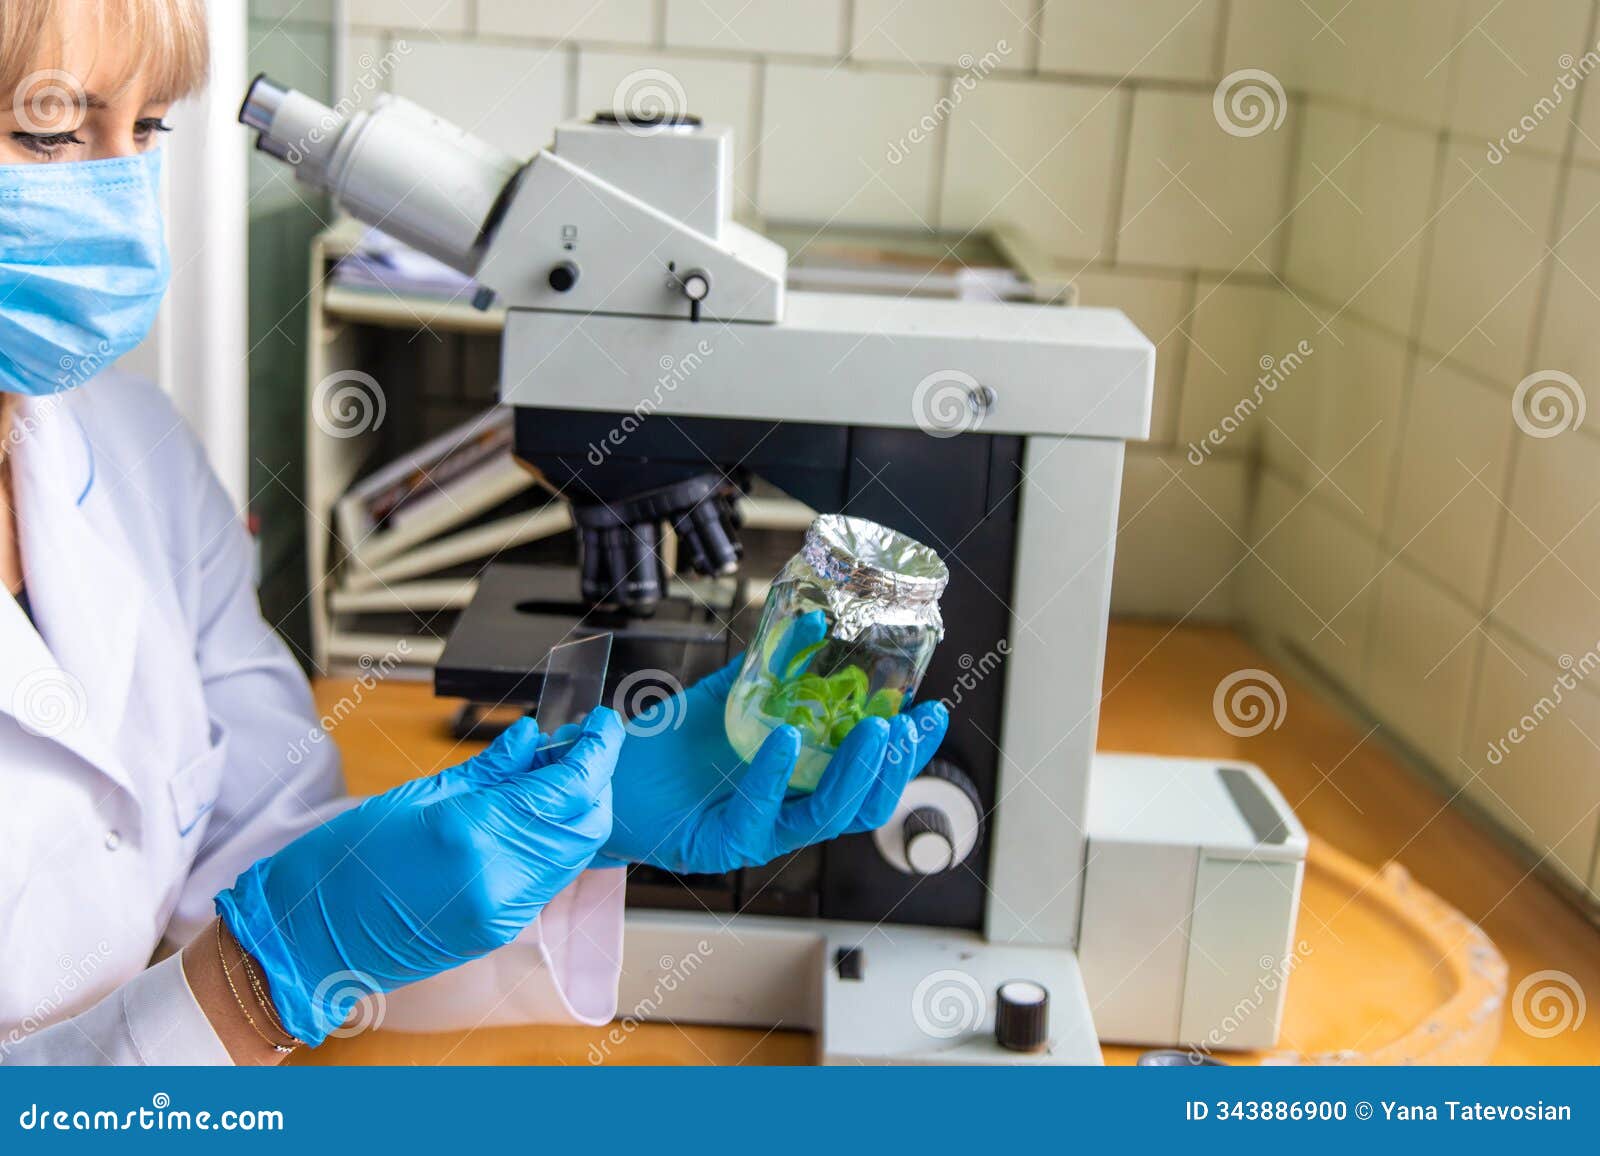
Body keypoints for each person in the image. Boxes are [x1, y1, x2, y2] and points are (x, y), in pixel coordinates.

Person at [0, 0, 948, 1065]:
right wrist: (267, 978)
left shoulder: (130, 451)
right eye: (48, 130)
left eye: (148, 129)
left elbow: (260, 856)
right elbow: (266, 951)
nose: (121, 194)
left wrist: (578, 829)